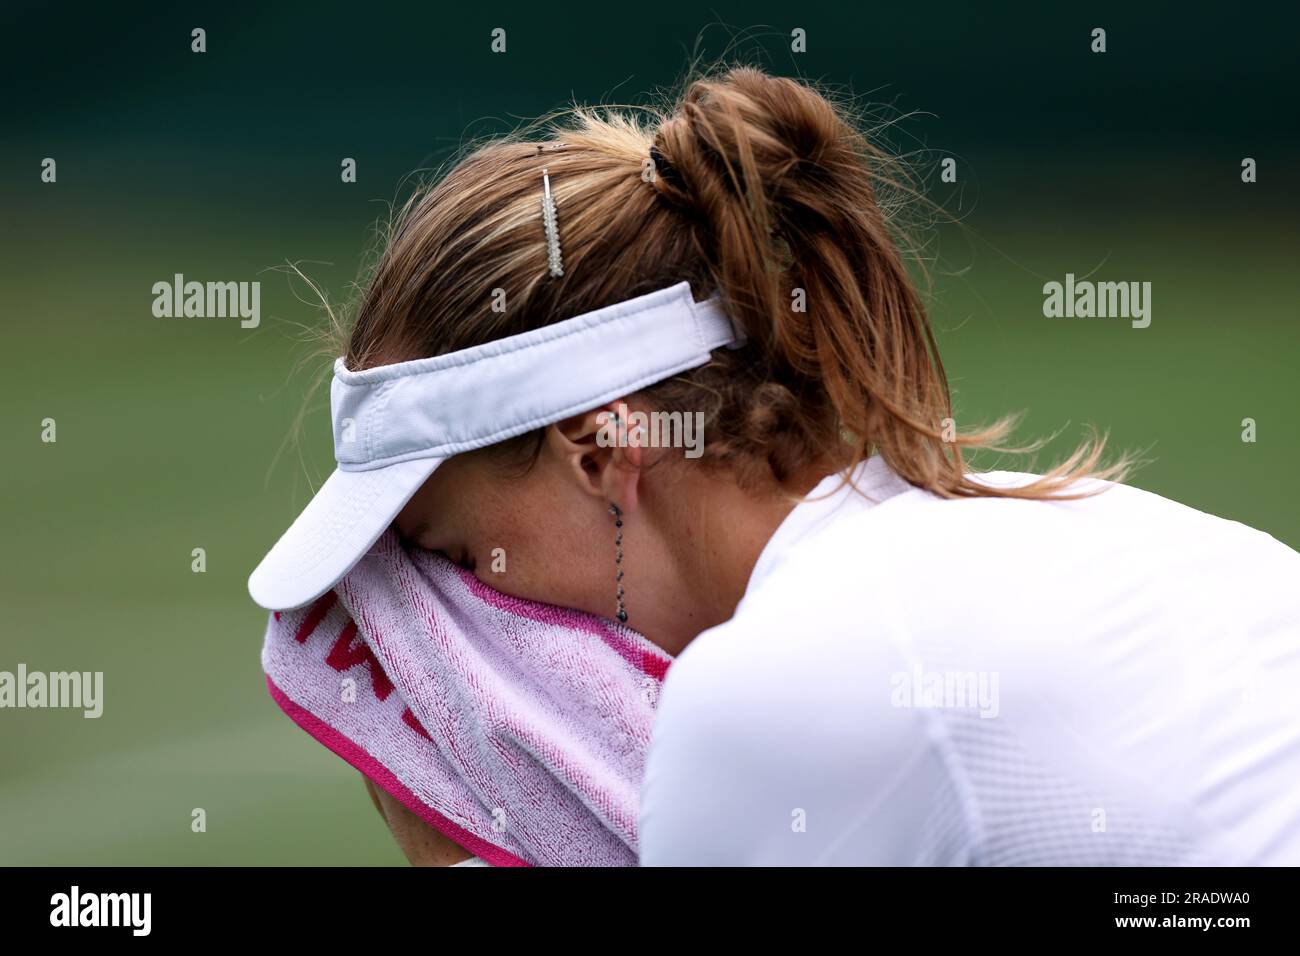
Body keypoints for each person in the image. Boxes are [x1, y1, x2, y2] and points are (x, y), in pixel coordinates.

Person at [249, 66, 1300, 865]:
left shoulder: (767, 698)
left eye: (456, 553)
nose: (468, 608)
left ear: (601, 450)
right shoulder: (1119, 526)